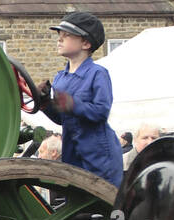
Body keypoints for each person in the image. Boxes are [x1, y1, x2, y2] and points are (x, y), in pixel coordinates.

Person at [33, 11, 123, 186]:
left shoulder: (98, 73)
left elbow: (101, 112)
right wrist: (45, 103)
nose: (59, 39)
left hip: (98, 154)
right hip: (72, 151)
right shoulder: (61, 78)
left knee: (101, 202)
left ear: (86, 43)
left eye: (66, 36)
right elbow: (61, 119)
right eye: (59, 35)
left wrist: (70, 103)